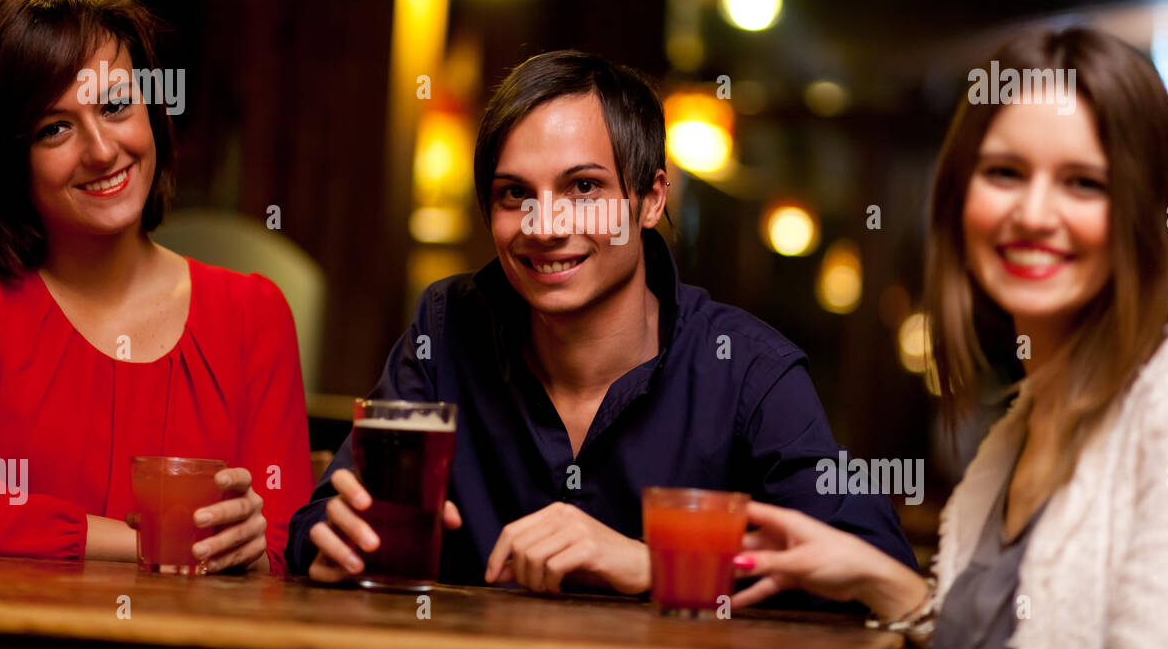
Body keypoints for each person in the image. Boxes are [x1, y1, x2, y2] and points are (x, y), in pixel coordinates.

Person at [289, 49, 916, 603]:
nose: (543, 224)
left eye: (583, 187)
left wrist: (660, 565)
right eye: (514, 194)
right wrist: (332, 537)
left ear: (651, 199)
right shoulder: (448, 327)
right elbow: (318, 521)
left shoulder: (746, 368)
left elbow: (875, 567)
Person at [728, 26, 1168, 649]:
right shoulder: (1013, 437)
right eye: (1005, 172)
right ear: (959, 198)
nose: (1035, 215)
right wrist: (883, 582)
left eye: (1083, 183)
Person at [0, 0, 312, 573]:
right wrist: (137, 541)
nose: (102, 150)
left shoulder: (252, 312)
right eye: (54, 128)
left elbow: (287, 547)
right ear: (5, 158)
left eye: (114, 105)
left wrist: (254, 550)